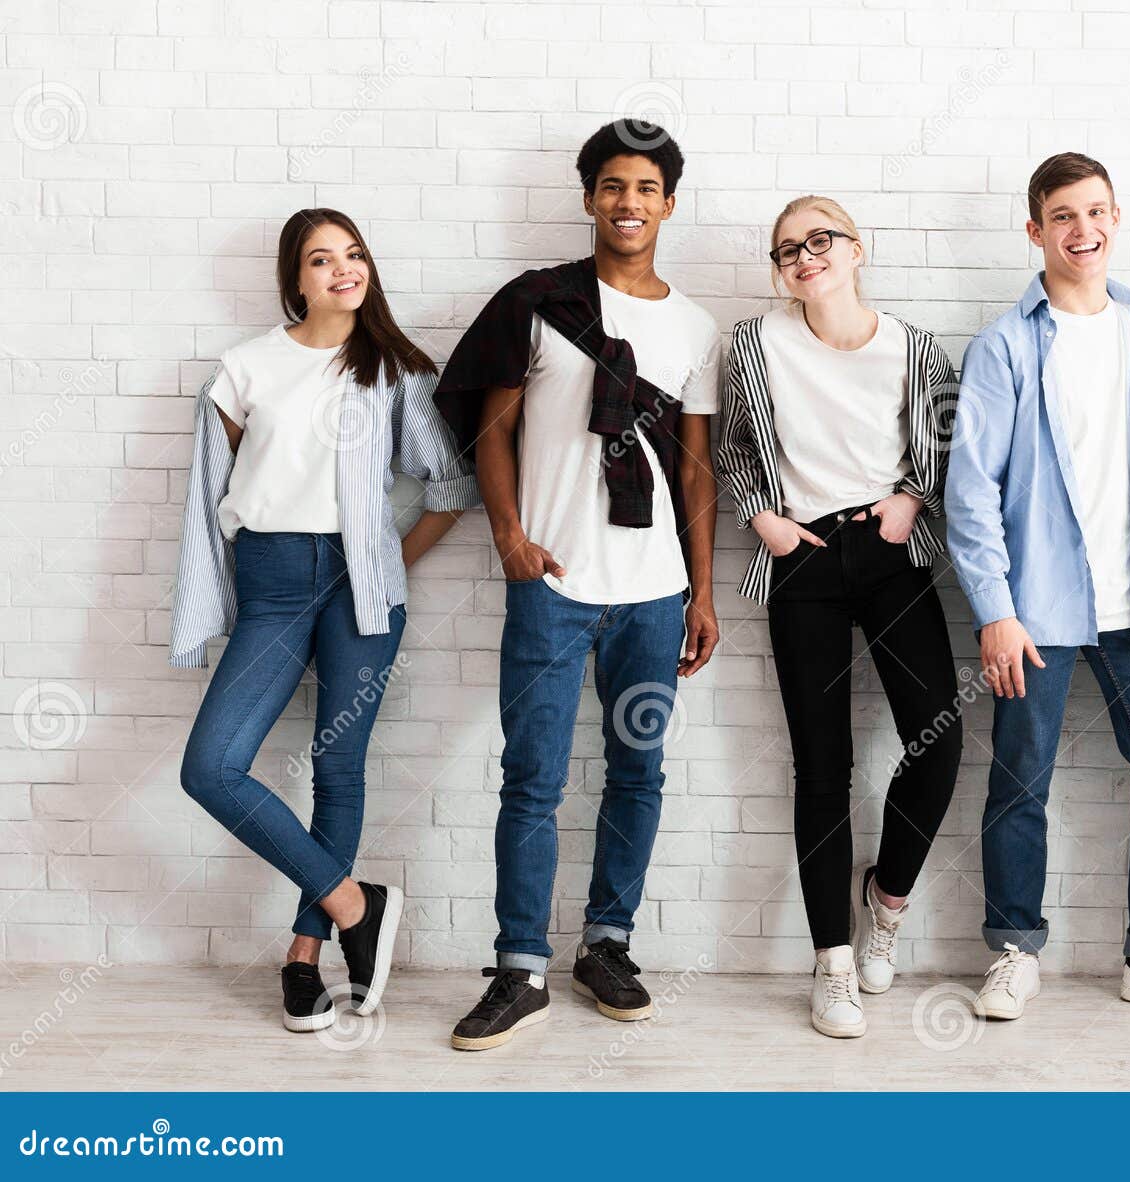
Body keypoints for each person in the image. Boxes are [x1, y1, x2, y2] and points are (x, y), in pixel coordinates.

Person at [433, 121, 721, 1051]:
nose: (627, 202)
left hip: (652, 591)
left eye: (645, 188)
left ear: (669, 203)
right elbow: (493, 427)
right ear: (589, 198)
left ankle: (608, 944)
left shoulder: (693, 326)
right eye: (610, 186)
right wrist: (509, 536)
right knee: (533, 777)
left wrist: (703, 593)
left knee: (638, 769)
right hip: (552, 588)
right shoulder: (540, 301)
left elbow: (697, 470)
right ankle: (520, 967)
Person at [946, 152, 1130, 1023]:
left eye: (1097, 212)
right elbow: (971, 489)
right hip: (1035, 606)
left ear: (1117, 218)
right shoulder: (1006, 343)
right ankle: (1012, 950)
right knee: (1020, 777)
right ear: (1036, 230)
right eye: (1064, 216)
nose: (1084, 231)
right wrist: (996, 613)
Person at [172, 208, 479, 1033]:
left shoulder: (396, 372)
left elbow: (452, 486)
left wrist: (384, 559)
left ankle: (304, 957)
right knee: (211, 768)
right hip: (271, 582)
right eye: (321, 258)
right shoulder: (244, 369)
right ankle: (357, 904)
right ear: (294, 279)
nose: (344, 268)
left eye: (354, 253)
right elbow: (207, 502)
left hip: (361, 583)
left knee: (339, 771)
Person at [717, 195, 963, 1038]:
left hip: (891, 554)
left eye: (821, 239)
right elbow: (734, 448)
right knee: (822, 768)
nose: (805, 256)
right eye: (788, 249)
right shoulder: (754, 343)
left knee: (939, 738)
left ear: (859, 250)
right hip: (804, 562)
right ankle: (832, 964)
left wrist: (909, 500)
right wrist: (764, 521)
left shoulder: (915, 347)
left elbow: (945, 438)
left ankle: (885, 901)